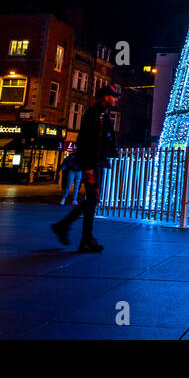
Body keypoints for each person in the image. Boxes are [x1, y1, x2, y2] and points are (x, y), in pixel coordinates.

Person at [52, 86, 120, 253]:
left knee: (92, 200)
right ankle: (78, 235)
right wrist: (88, 169)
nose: (116, 99)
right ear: (105, 97)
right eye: (113, 96)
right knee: (92, 199)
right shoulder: (94, 115)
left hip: (97, 163)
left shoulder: (103, 114)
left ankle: (81, 235)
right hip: (92, 164)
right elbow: (85, 142)